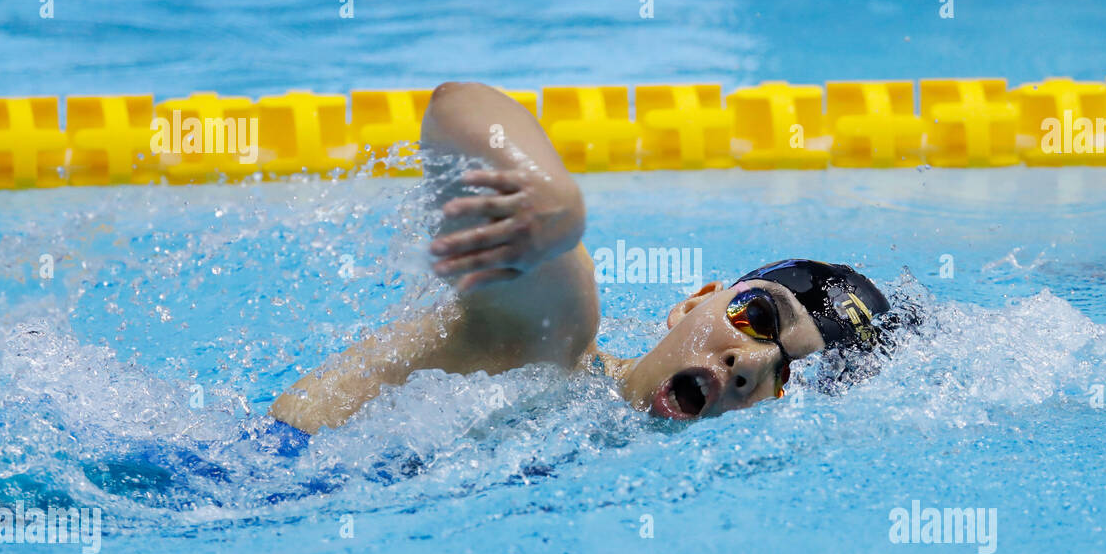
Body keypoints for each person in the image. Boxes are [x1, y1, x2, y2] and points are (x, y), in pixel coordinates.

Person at [270, 82, 896, 435]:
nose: (751, 364)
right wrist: (555, 200)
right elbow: (455, 107)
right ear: (690, 303)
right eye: (758, 317)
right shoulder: (556, 336)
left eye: (785, 377)